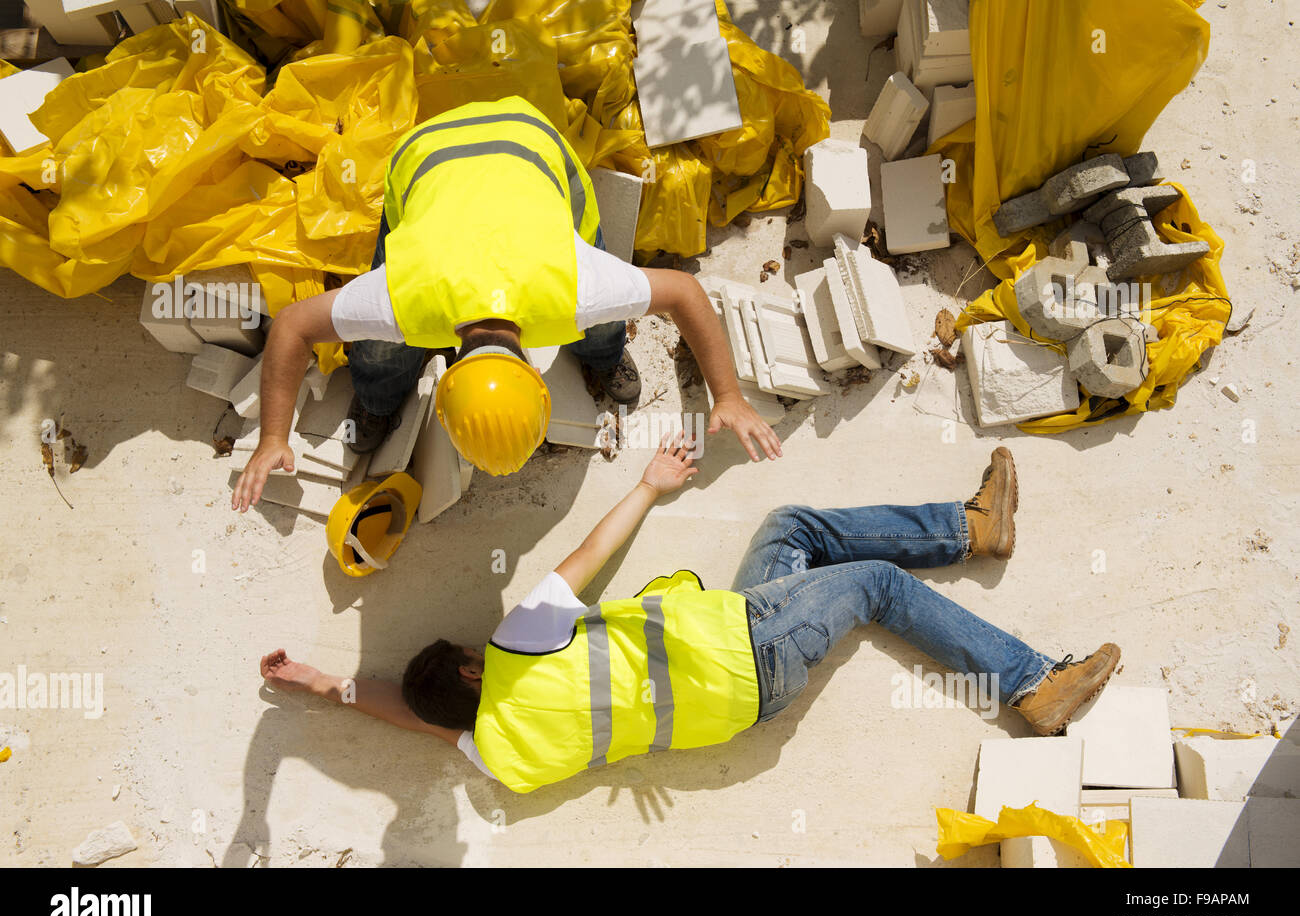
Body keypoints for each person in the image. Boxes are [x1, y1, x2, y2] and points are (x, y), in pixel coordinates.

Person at [259, 443, 1121, 793]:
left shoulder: (499, 756)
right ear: (472, 667)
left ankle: (974, 529)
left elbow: (411, 716)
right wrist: (649, 483)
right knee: (875, 585)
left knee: (791, 529)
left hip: (745, 693)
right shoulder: (516, 645)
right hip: (751, 644)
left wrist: (322, 683)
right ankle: (1031, 684)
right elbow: (588, 555)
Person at [231, 95, 780, 512]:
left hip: (529, 140)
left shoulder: (579, 287)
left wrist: (730, 396)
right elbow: (293, 326)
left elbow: (683, 293)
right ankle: (380, 397)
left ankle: (603, 355)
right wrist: (271, 437)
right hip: (426, 151)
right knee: (378, 350)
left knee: (604, 319)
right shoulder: (403, 298)